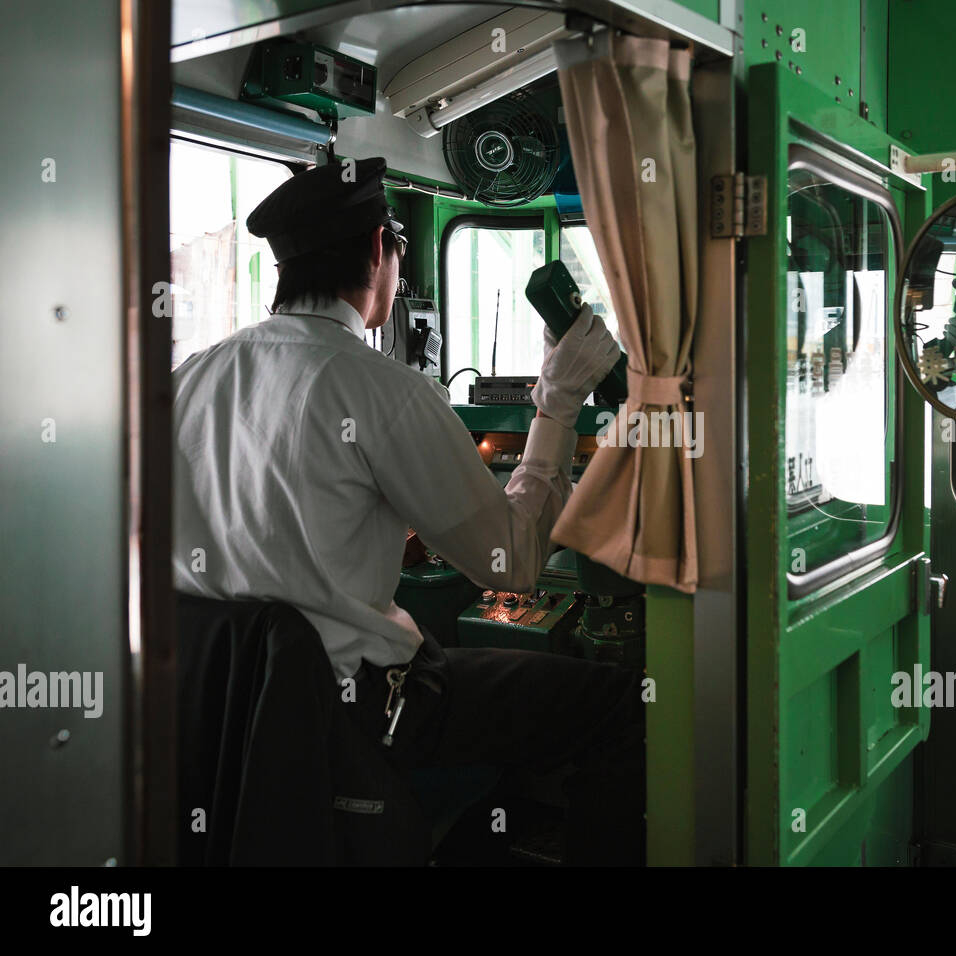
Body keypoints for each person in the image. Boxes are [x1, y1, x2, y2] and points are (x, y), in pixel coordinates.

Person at [171, 157, 643, 865]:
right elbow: (510, 563)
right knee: (617, 703)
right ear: (376, 250)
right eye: (395, 238)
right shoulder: (379, 388)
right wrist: (558, 400)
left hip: (216, 704)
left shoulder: (189, 376)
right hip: (363, 710)